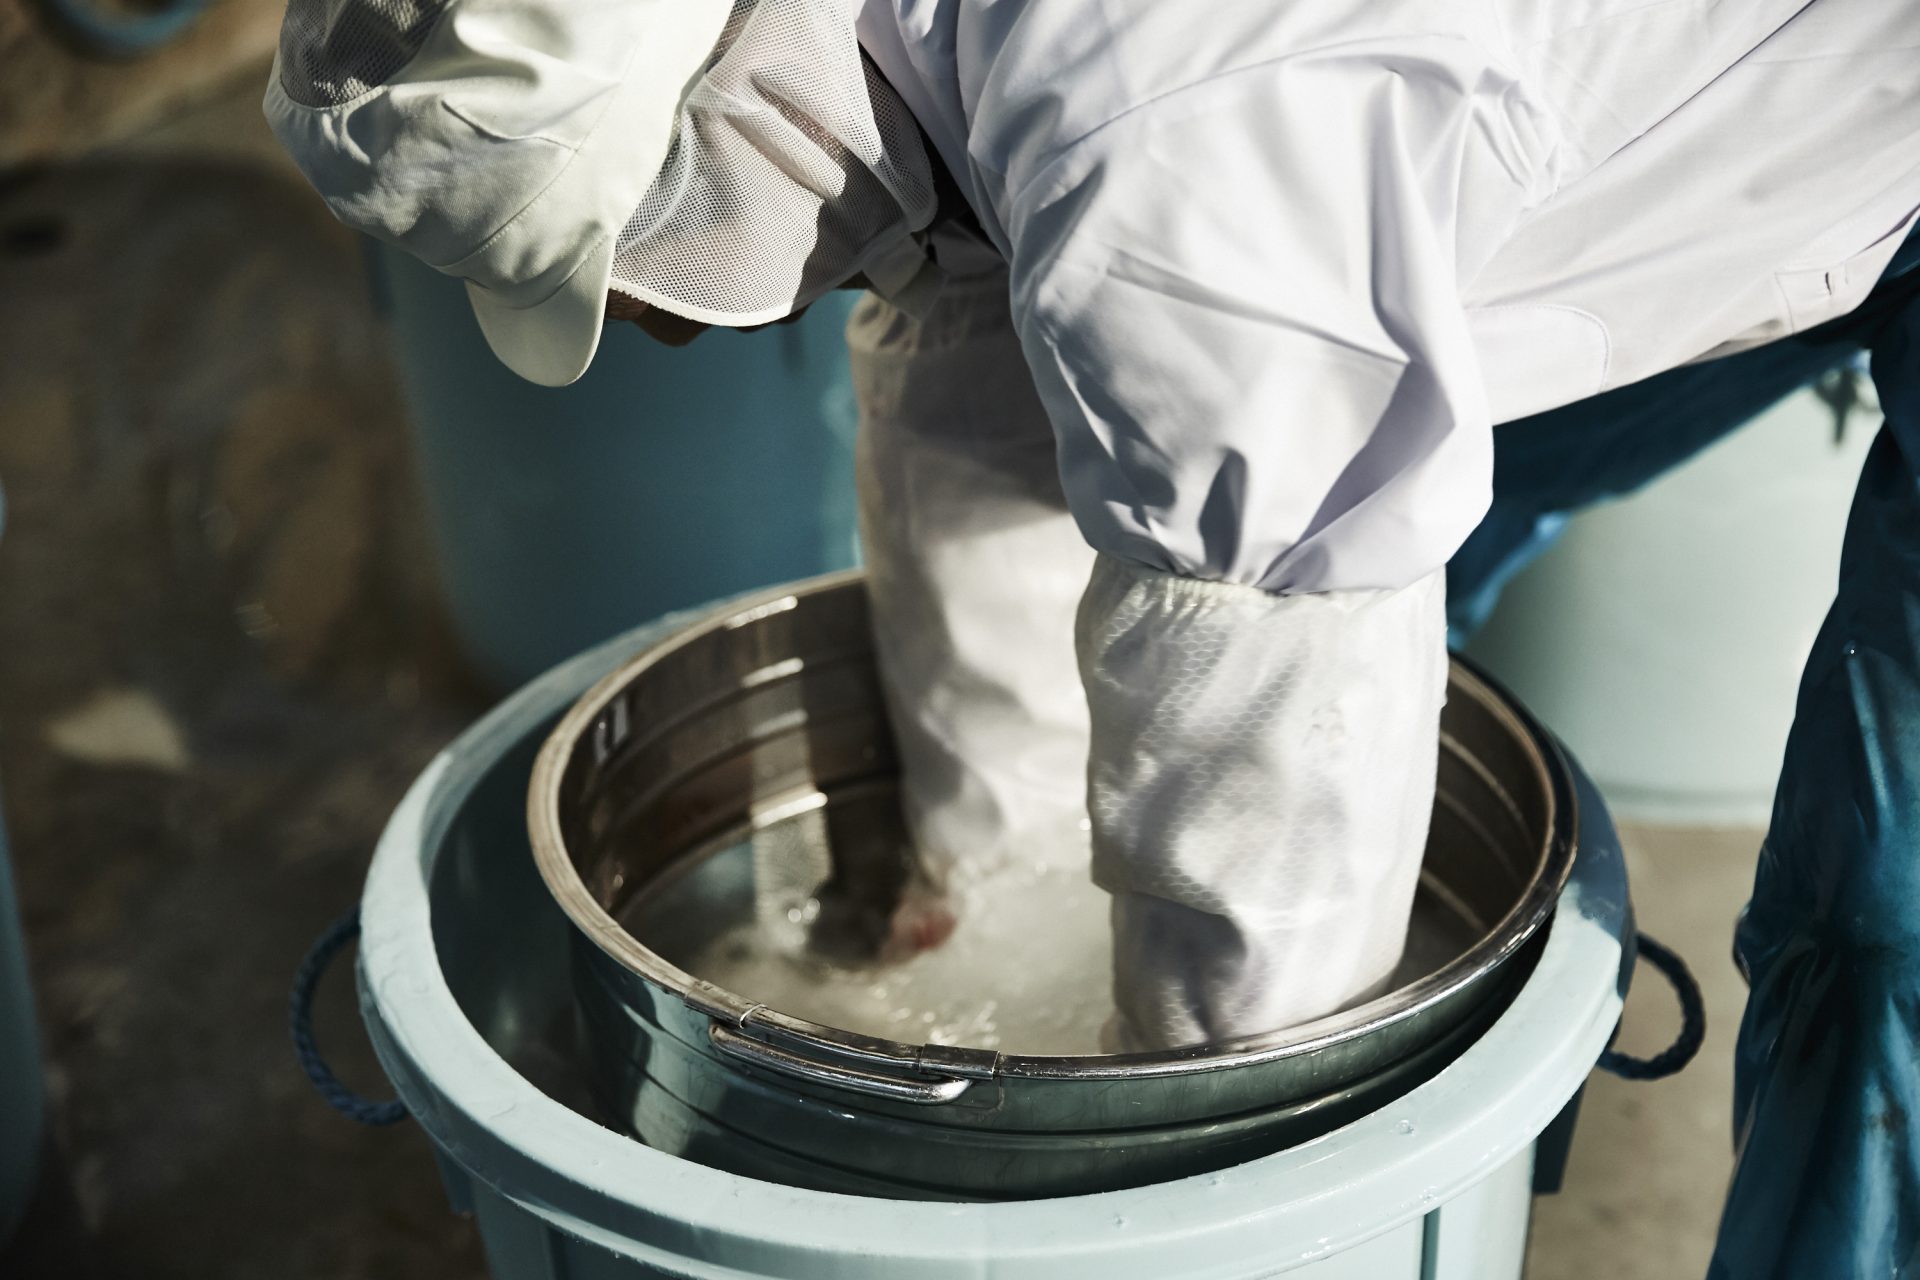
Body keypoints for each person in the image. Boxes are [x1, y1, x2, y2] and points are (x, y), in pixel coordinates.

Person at [265, 0, 1920, 1272]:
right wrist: (977, 887)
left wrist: (1185, 1173)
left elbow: (1264, 699)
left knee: (1884, 936)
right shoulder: (924, 61)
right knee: (1324, 498)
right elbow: (986, 400)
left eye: (596, 260)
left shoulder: (1166, 147)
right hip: (1512, 120)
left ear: (709, 97)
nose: (627, 323)